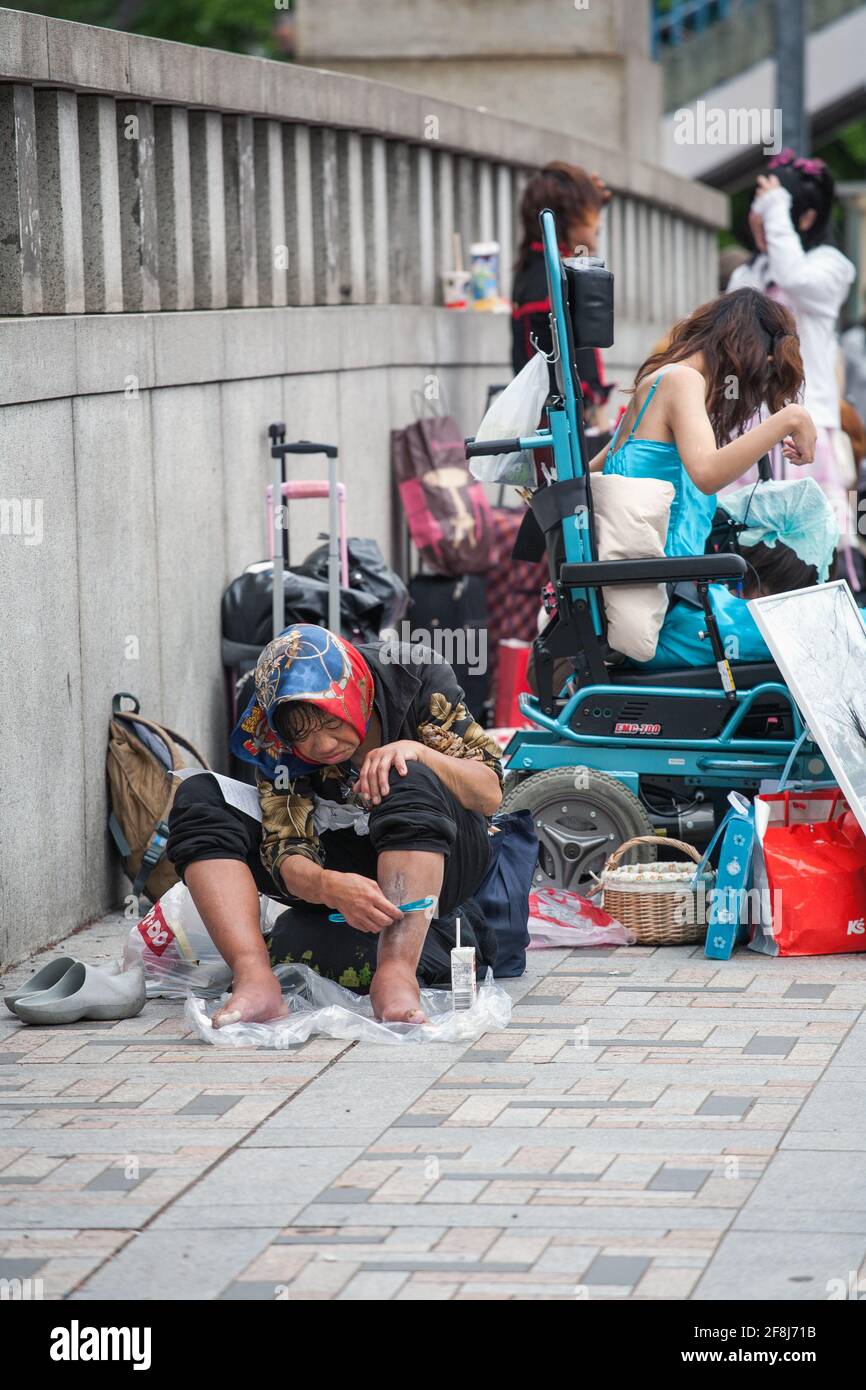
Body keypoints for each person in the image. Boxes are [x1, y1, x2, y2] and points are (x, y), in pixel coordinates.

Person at [166, 625, 503, 1027]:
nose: (324, 747)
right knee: (200, 798)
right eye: (303, 736)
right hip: (335, 866)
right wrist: (328, 886)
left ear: (356, 690)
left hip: (440, 857)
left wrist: (416, 751)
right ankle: (255, 981)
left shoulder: (415, 676)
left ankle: (396, 975)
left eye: (330, 723)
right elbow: (285, 845)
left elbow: (489, 793)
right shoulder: (273, 736)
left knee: (403, 770)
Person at [588, 287, 816, 670]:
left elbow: (588, 475)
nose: (755, 388)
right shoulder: (682, 380)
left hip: (681, 610)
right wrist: (792, 418)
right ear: (746, 349)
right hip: (681, 620)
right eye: (766, 371)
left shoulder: (659, 384)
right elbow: (707, 474)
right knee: (843, 626)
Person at [727, 150, 856, 575]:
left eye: (772, 211)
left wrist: (776, 207)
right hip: (749, 425)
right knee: (750, 540)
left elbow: (797, 278)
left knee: (810, 546)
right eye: (758, 209)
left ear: (803, 218)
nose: (759, 220)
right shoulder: (751, 271)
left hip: (807, 424)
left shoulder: (831, 267)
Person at [511, 162, 614, 428]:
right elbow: (575, 359)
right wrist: (595, 413)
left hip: (551, 417)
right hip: (562, 422)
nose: (599, 222)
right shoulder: (552, 279)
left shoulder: (538, 268)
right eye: (591, 211)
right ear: (568, 215)